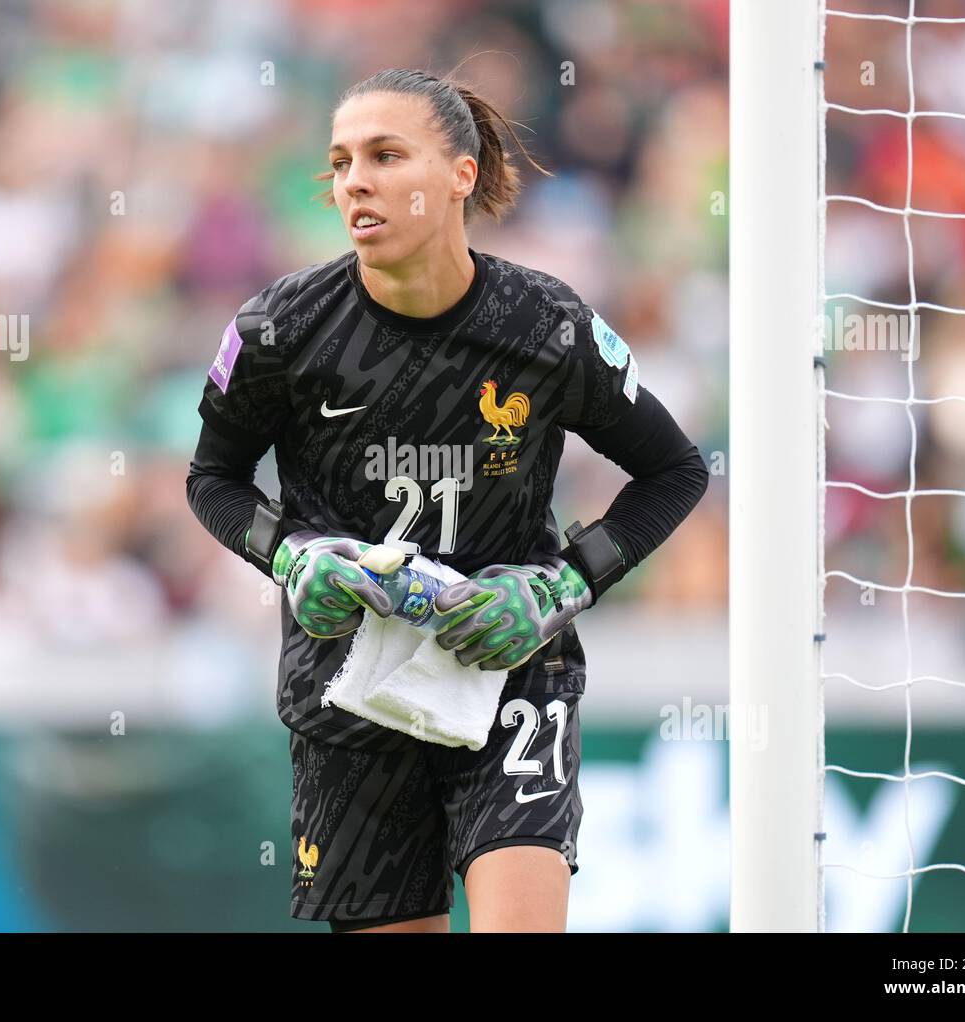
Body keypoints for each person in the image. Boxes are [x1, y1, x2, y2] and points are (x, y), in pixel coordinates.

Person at [186, 67, 709, 932]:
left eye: (387, 155)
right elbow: (213, 480)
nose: (357, 179)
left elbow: (674, 472)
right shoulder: (279, 330)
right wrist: (288, 554)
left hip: (510, 681)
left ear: (460, 175)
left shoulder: (547, 327)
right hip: (347, 694)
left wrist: (559, 589)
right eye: (343, 161)